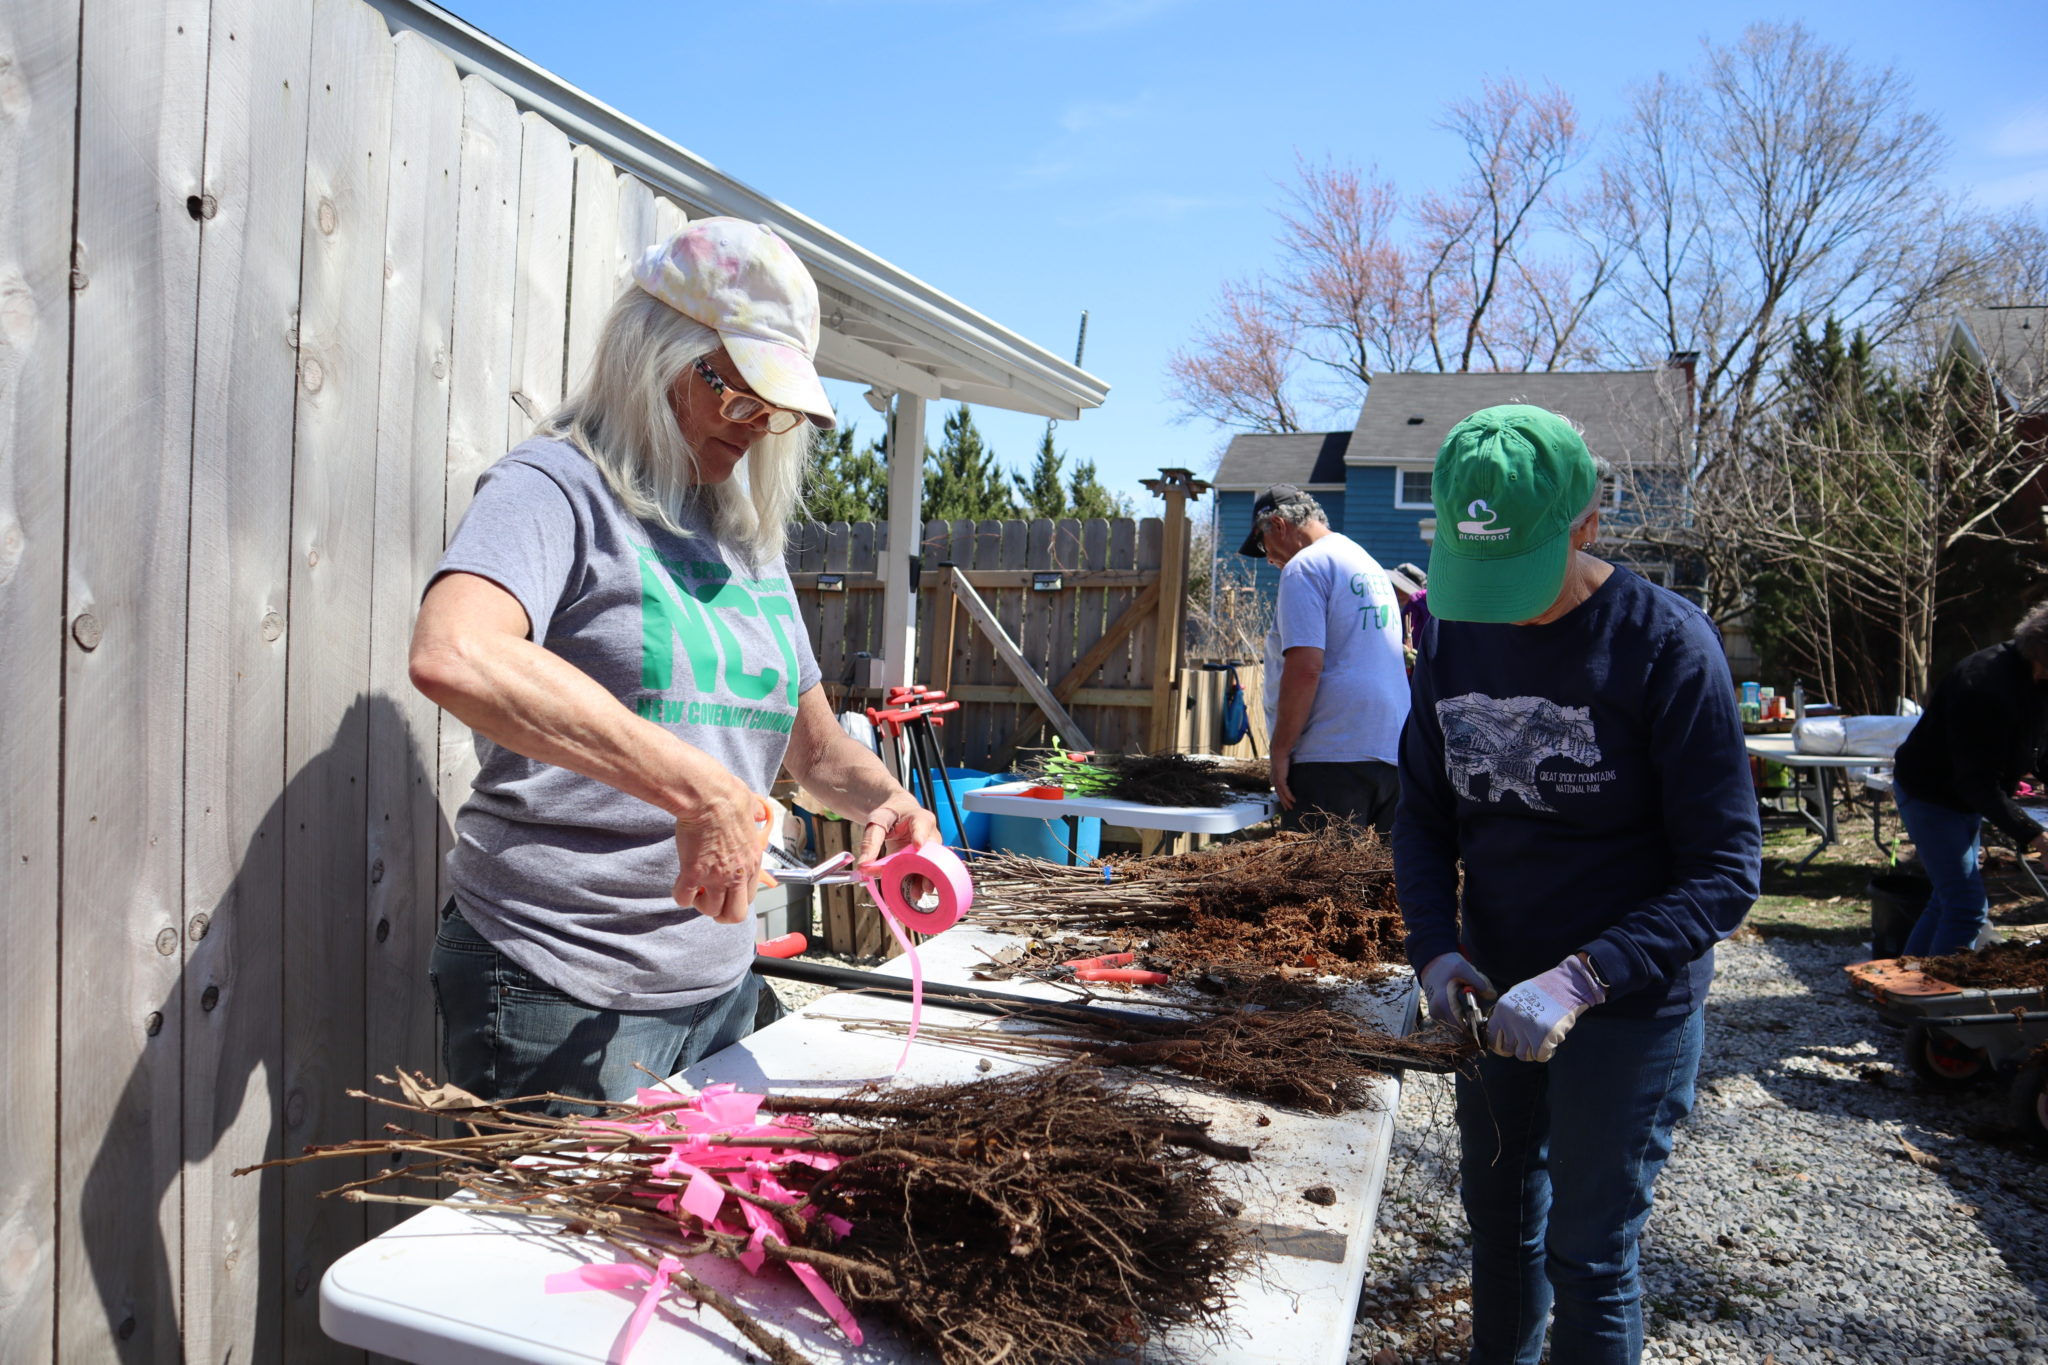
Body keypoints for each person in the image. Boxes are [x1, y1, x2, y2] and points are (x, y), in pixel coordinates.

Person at [408, 218, 938, 1111]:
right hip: (557, 986)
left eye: (777, 412)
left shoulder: (745, 539)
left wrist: (886, 800)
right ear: (660, 355)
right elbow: (455, 652)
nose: (760, 428)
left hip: (719, 988)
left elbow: (811, 754)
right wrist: (697, 787)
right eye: (741, 398)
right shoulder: (553, 488)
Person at [1393, 405, 1761, 1365]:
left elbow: (1726, 870)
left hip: (1626, 1003)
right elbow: (1426, 813)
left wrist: (1581, 978)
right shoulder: (1452, 633)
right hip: (1489, 985)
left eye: (1522, 569)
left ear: (1586, 523)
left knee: (1590, 1256)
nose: (1501, 605)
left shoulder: (1665, 646)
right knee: (1502, 1234)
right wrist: (1436, 947)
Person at [1237, 483, 1409, 832]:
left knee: (1319, 884)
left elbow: (1305, 668)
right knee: (1383, 883)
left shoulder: (1305, 567)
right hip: (1393, 752)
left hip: (1333, 755)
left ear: (1279, 526)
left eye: (1263, 545)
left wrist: (1281, 750)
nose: (1269, 559)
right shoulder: (1367, 564)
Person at [1889, 604, 2048, 956]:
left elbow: (2040, 746)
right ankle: (1937, 1001)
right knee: (1966, 907)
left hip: (1966, 795)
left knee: (1946, 900)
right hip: (1932, 793)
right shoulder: (1982, 684)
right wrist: (2036, 837)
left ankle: (1908, 987)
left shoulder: (2038, 681)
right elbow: (1976, 782)